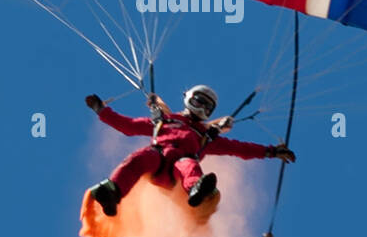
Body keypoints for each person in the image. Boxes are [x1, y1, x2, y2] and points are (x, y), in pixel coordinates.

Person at [84, 85, 296, 217]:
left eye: (207, 107)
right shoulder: (163, 121)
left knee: (189, 165)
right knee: (137, 159)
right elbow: (127, 125)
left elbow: (239, 148)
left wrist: (272, 151)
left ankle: (197, 190)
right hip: (156, 158)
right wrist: (102, 110)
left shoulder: (205, 136)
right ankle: (113, 192)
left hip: (177, 171)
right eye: (198, 101)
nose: (201, 108)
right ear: (188, 99)